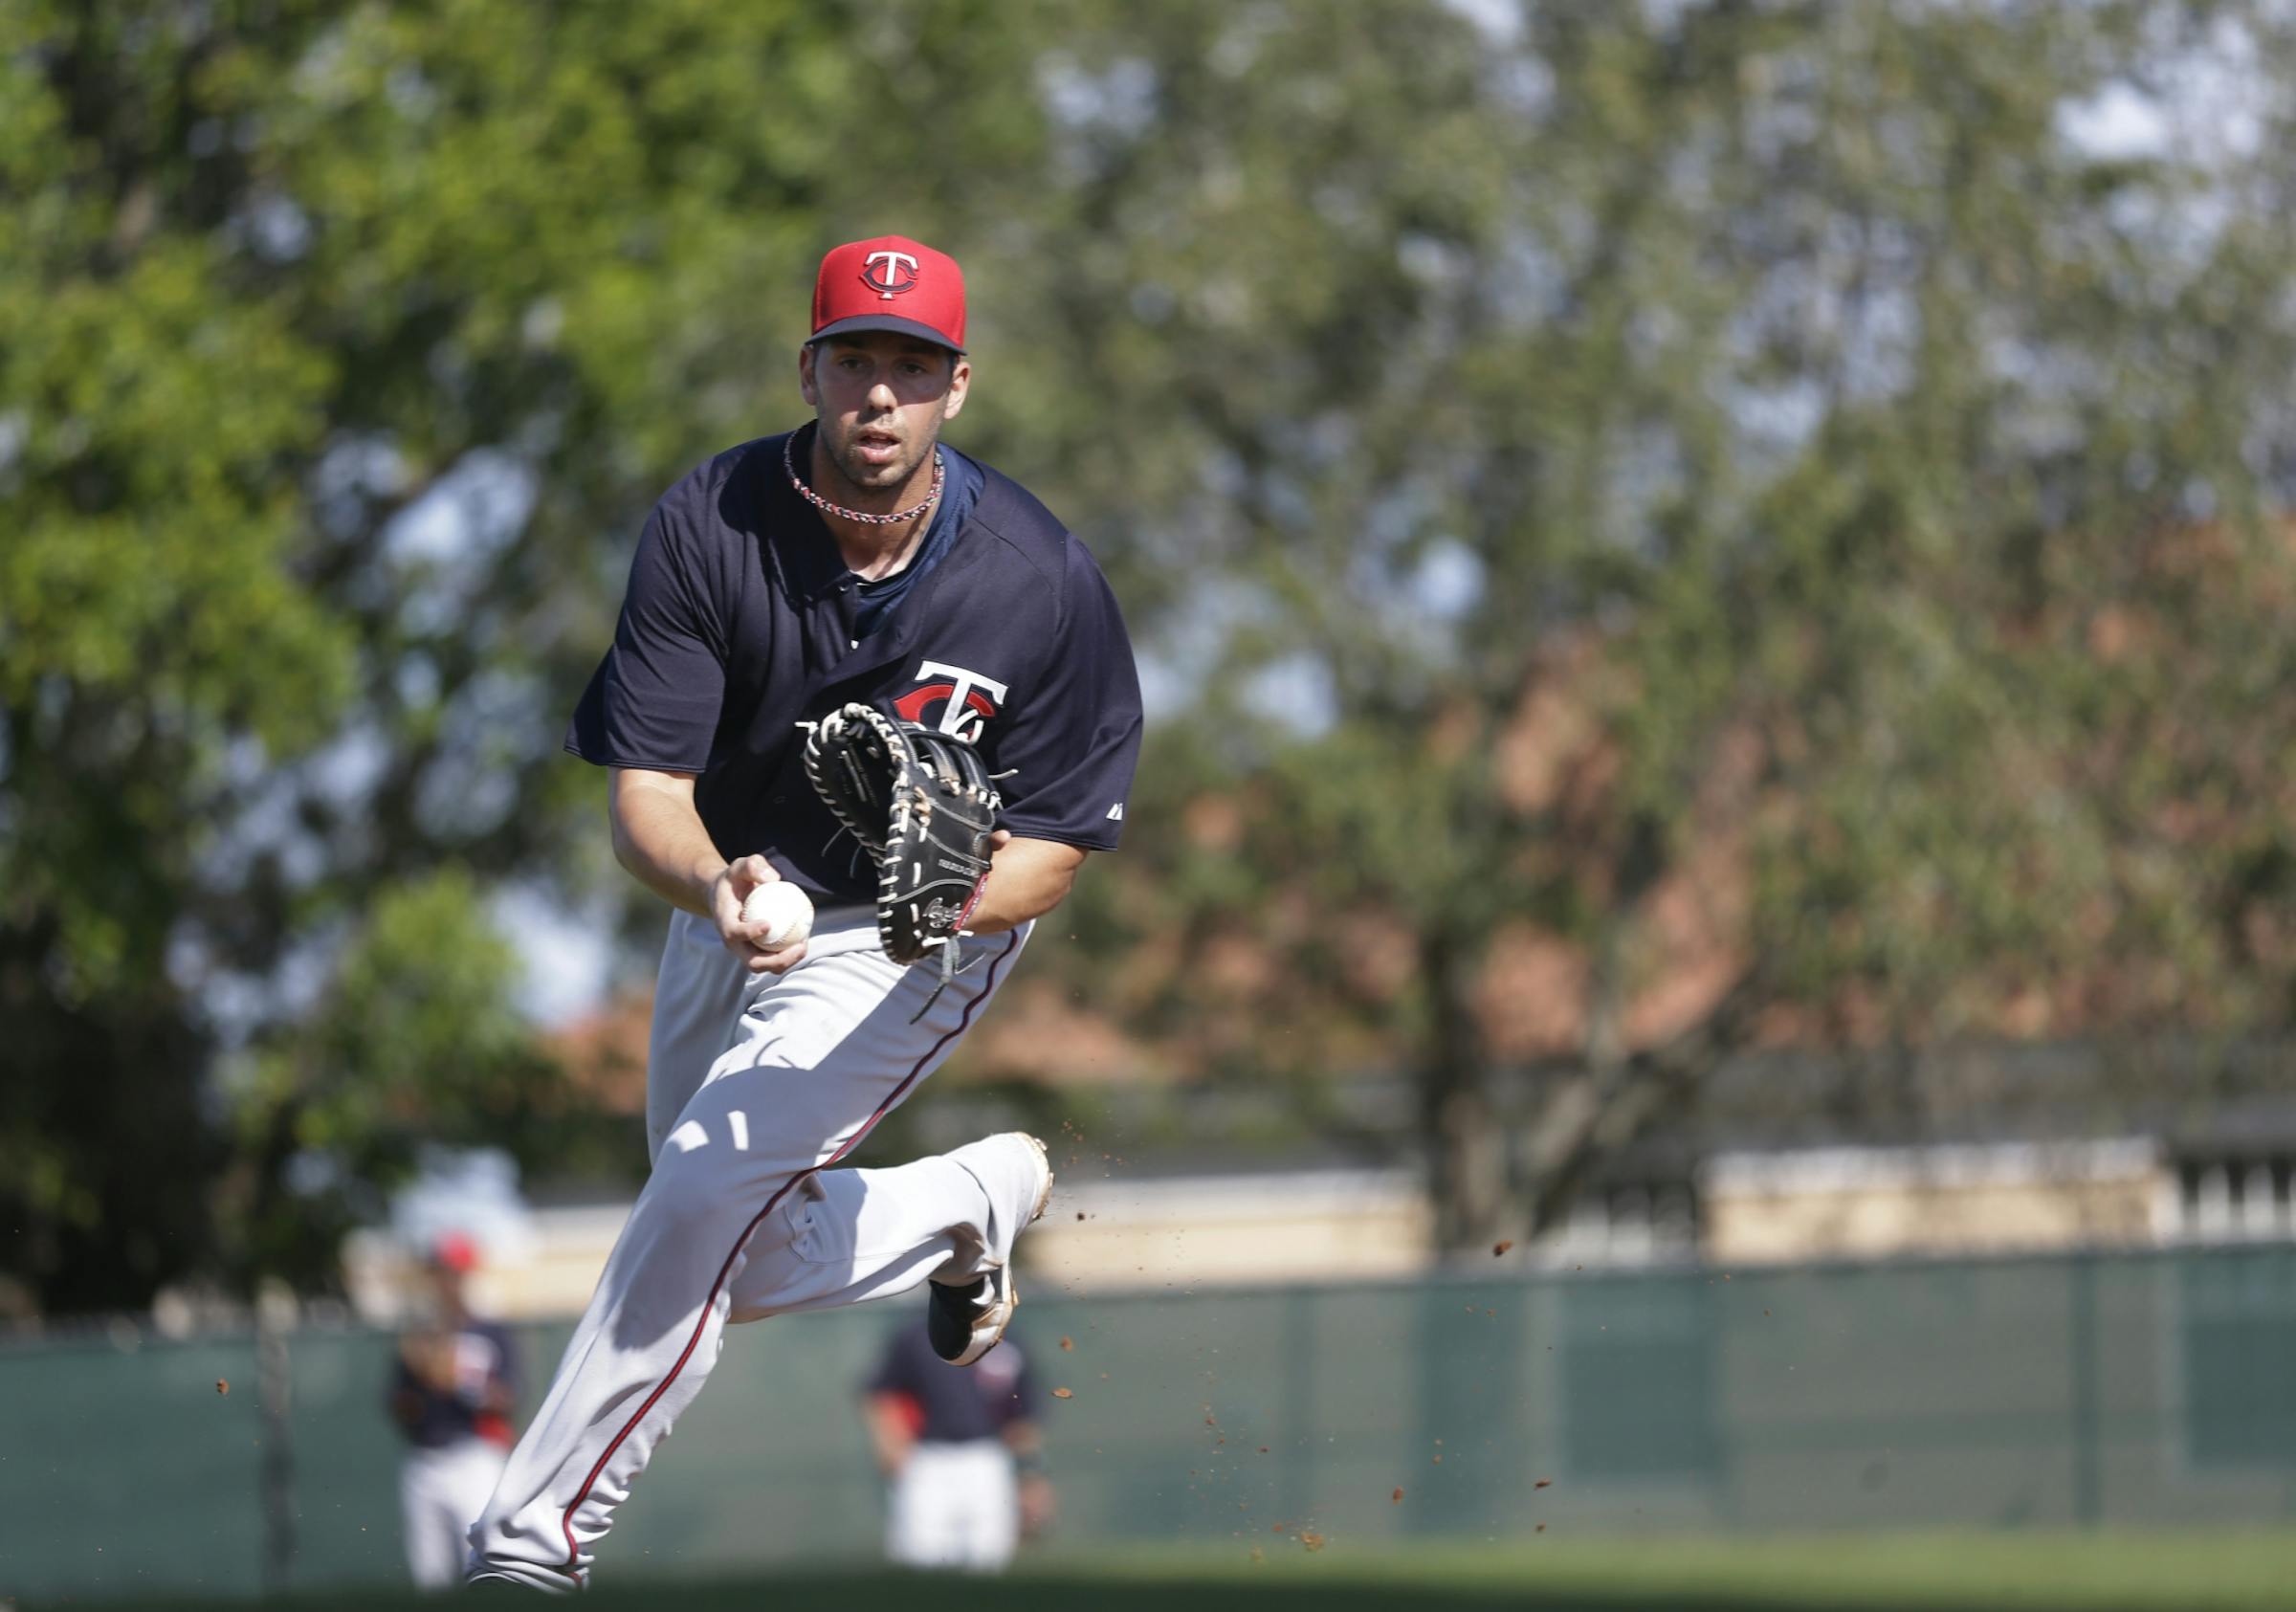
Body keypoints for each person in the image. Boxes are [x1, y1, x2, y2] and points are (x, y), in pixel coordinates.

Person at [463, 235, 1142, 1591]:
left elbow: (1057, 849)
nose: (879, 395)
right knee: (728, 1236)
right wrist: (720, 883)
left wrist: (935, 900)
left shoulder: (1036, 579)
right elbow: (646, 794)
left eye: (913, 366)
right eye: (856, 361)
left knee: (707, 1191)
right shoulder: (711, 524)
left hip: (919, 938)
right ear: (809, 370)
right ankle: (972, 1196)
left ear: (959, 387)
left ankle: (531, 1539)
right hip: (745, 903)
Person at [863, 1320, 1053, 1571]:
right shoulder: (918, 1332)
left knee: (990, 1556)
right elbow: (883, 1393)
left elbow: (1022, 1415)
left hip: (988, 1457)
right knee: (921, 1557)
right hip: (927, 1458)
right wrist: (891, 1446)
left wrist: (1030, 1475)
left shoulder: (1005, 1334)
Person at [386, 1232, 519, 1590]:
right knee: (431, 1577)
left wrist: (458, 1381)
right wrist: (420, 1376)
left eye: (453, 1273)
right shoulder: (419, 1336)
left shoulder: (490, 1331)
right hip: (424, 1460)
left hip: (473, 1458)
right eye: (440, 1273)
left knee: (482, 1569)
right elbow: (399, 1407)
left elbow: (508, 1398)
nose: (446, 1281)